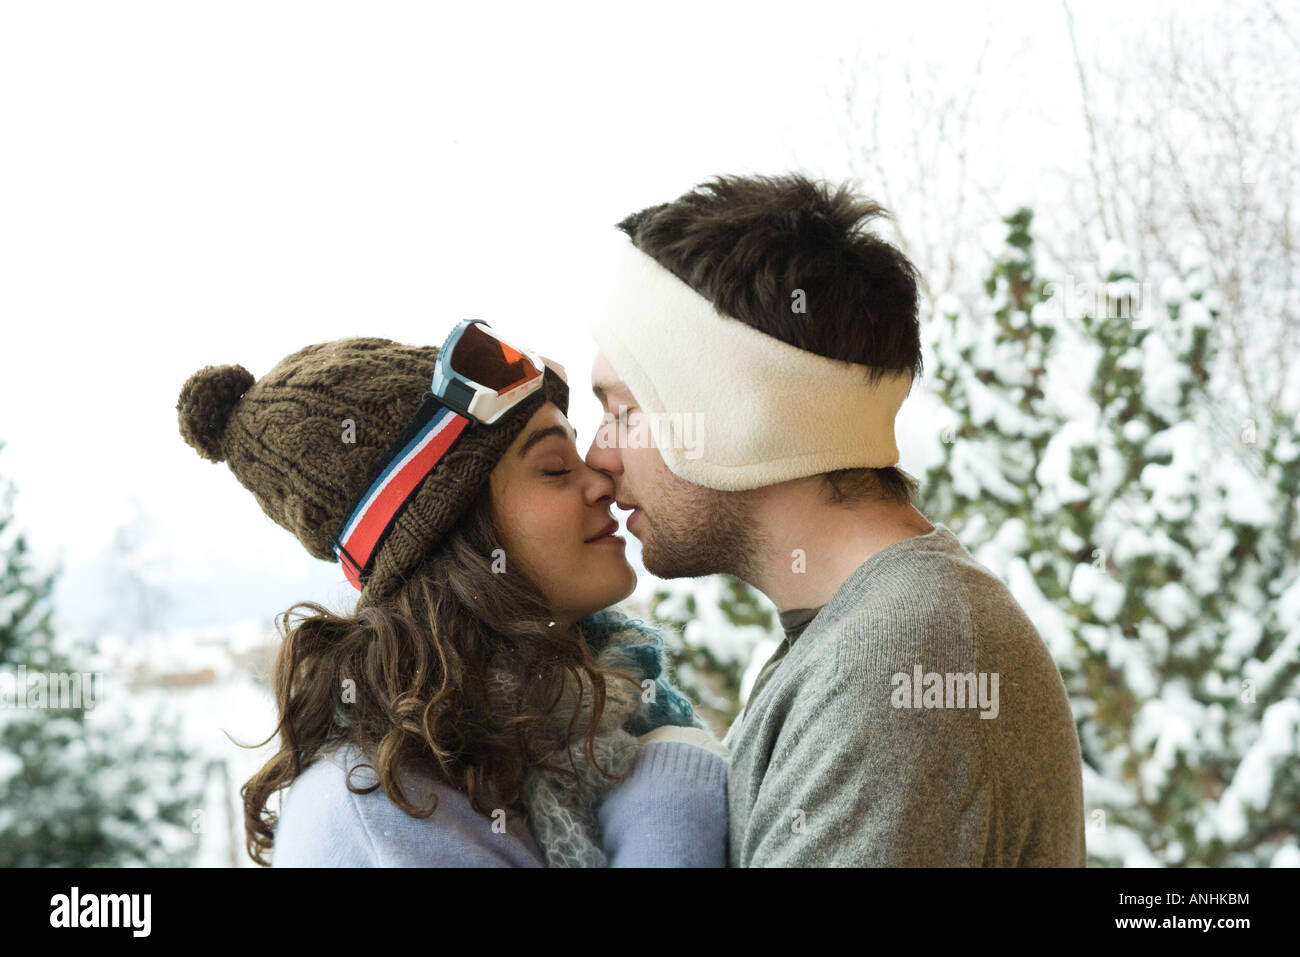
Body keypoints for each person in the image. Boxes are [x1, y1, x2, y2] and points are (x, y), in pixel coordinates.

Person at [583, 173, 1087, 866]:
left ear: (737, 414)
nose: (596, 457)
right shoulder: (863, 633)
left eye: (621, 412)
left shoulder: (899, 658)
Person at [175, 324, 727, 867]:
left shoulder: (589, 722)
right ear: (453, 537)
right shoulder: (379, 813)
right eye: (556, 467)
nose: (603, 481)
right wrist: (669, 807)